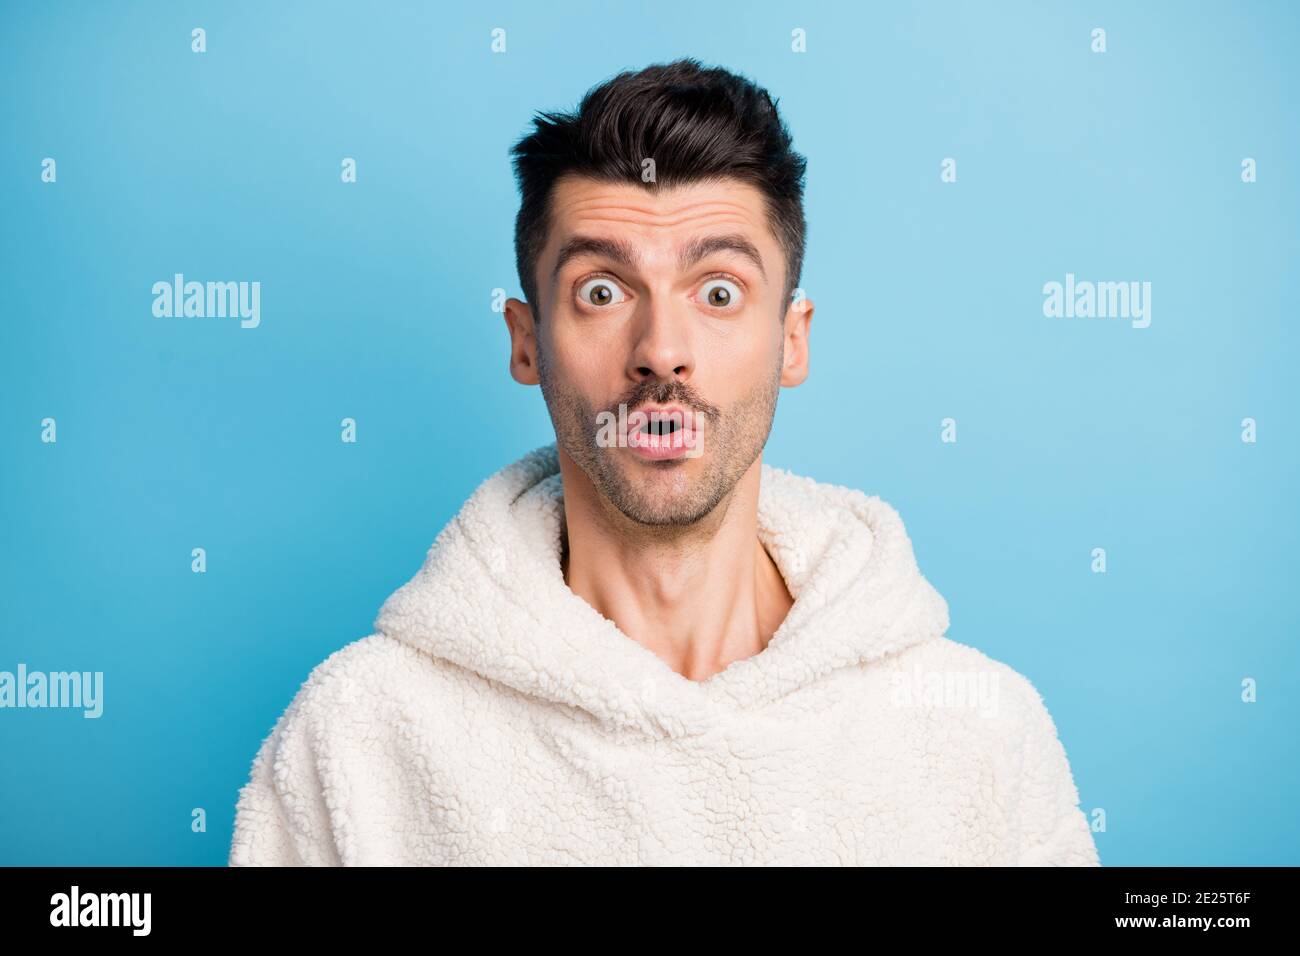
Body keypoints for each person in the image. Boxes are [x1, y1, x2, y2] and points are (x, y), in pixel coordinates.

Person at [229, 57, 1100, 866]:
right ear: (527, 342)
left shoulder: (979, 735)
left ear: (791, 343)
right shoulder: (358, 735)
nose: (661, 351)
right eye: (601, 292)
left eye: (719, 292)